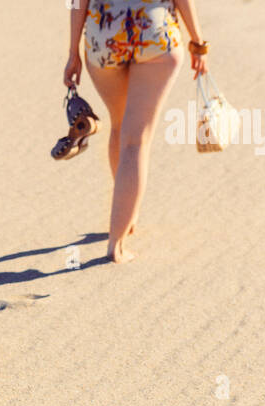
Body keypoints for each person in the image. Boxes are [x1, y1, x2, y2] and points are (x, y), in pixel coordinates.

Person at [64, 2, 209, 263]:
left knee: (120, 127)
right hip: (154, 35)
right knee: (136, 140)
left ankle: (125, 216)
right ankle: (115, 246)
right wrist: (198, 43)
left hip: (104, 37)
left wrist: (73, 52)